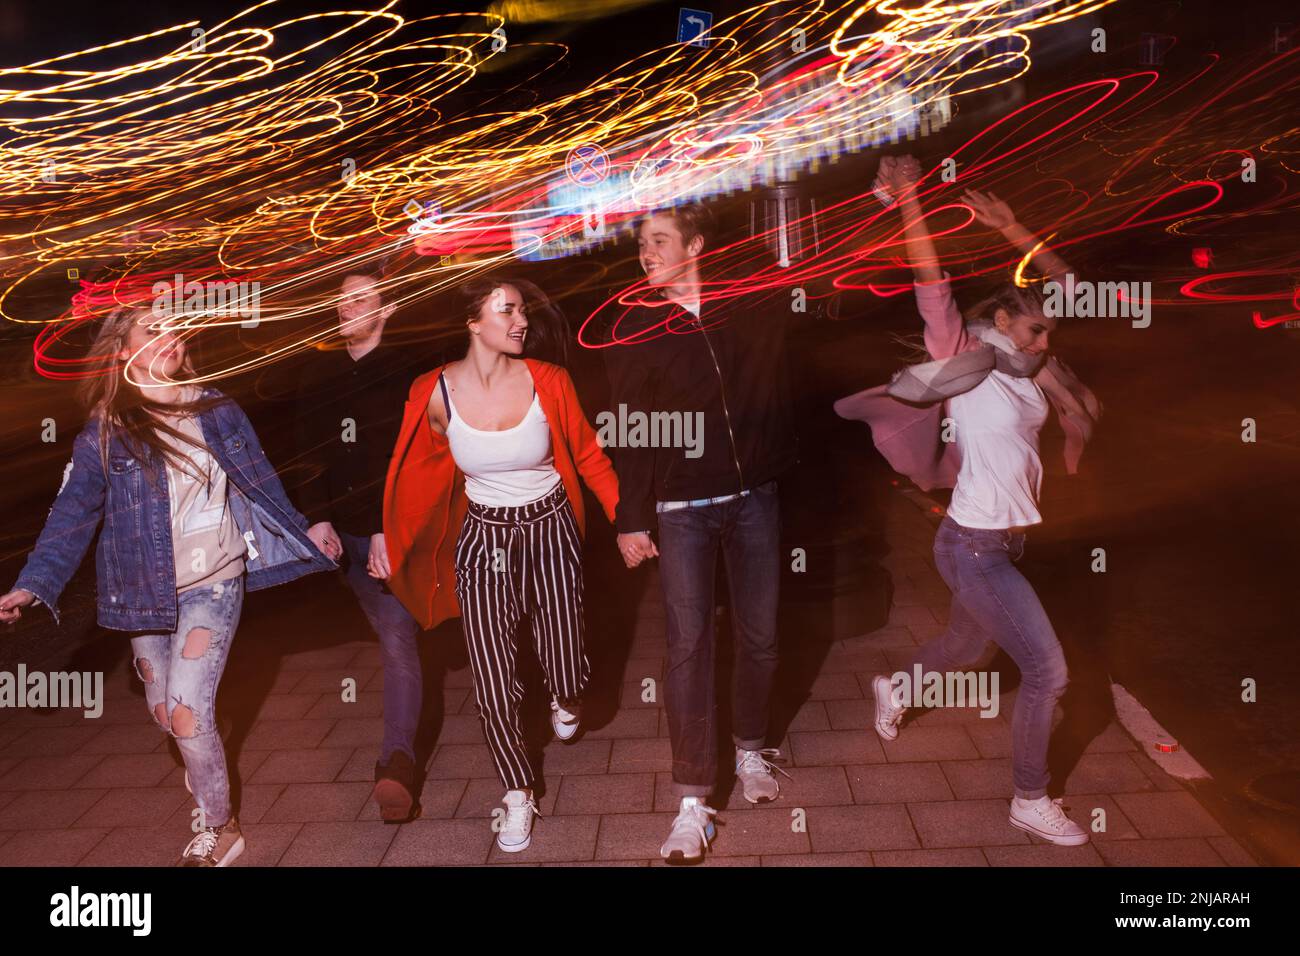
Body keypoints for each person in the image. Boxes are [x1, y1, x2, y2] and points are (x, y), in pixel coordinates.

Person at [0, 304, 335, 866]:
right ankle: (204, 732)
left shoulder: (216, 408)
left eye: (176, 326)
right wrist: (33, 584)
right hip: (142, 592)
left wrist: (306, 527)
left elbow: (261, 480)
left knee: (184, 711)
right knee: (168, 712)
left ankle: (220, 825)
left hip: (215, 581)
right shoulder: (106, 431)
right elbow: (72, 514)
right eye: (153, 330)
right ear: (124, 351)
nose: (171, 336)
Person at [835, 155, 1102, 846]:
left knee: (964, 643)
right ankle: (1030, 798)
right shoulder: (970, 360)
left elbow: (1078, 290)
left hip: (1002, 541)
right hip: (975, 546)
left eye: (1050, 334)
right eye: (1036, 330)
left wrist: (1015, 230)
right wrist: (912, 201)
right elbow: (933, 286)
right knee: (1048, 670)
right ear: (1005, 321)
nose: (1048, 343)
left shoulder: (1031, 369)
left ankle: (896, 688)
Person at [376, 277, 618, 854]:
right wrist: (388, 536)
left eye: (523, 311)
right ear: (472, 321)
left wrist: (626, 518)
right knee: (492, 677)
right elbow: (411, 472)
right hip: (483, 537)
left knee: (566, 659)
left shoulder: (548, 381)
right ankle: (516, 792)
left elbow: (586, 453)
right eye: (506, 310)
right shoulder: (432, 392)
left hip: (551, 523)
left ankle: (568, 694)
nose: (521, 321)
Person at [601, 202, 799, 864]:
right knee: (688, 646)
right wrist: (632, 516)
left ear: (695, 245)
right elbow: (630, 425)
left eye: (659, 241)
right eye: (641, 244)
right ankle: (692, 800)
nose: (646, 254)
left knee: (762, 637)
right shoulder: (635, 325)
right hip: (681, 508)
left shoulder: (745, 305)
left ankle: (750, 749)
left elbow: (798, 276)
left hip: (754, 498)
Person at [294, 267, 425, 823]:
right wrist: (316, 517)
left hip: (395, 530)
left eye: (363, 299)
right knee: (393, 630)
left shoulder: (407, 373)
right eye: (342, 300)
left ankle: (397, 763)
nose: (348, 308)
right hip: (343, 536)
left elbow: (409, 457)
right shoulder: (319, 373)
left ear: (387, 309)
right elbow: (310, 450)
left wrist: (384, 526)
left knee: (397, 636)